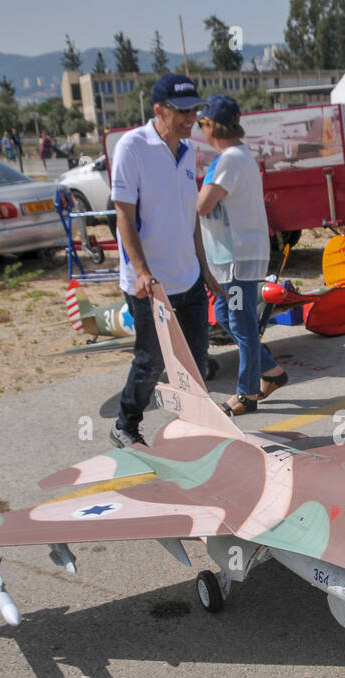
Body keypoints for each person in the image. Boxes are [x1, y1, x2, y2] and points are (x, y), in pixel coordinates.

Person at [108, 74, 223, 449]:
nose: (191, 118)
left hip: (187, 277)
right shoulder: (132, 147)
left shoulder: (188, 152)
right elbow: (123, 214)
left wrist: (204, 269)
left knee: (194, 364)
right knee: (151, 360)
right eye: (183, 111)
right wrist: (142, 273)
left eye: (195, 110)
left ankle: (190, 428)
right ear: (159, 110)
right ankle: (126, 423)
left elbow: (189, 216)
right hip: (149, 283)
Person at [195, 94, 288, 416]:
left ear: (212, 126)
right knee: (224, 314)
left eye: (201, 123)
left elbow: (202, 205)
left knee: (241, 324)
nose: (200, 129)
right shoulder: (239, 155)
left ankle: (246, 394)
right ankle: (272, 372)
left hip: (236, 257)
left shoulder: (228, 160)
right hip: (233, 256)